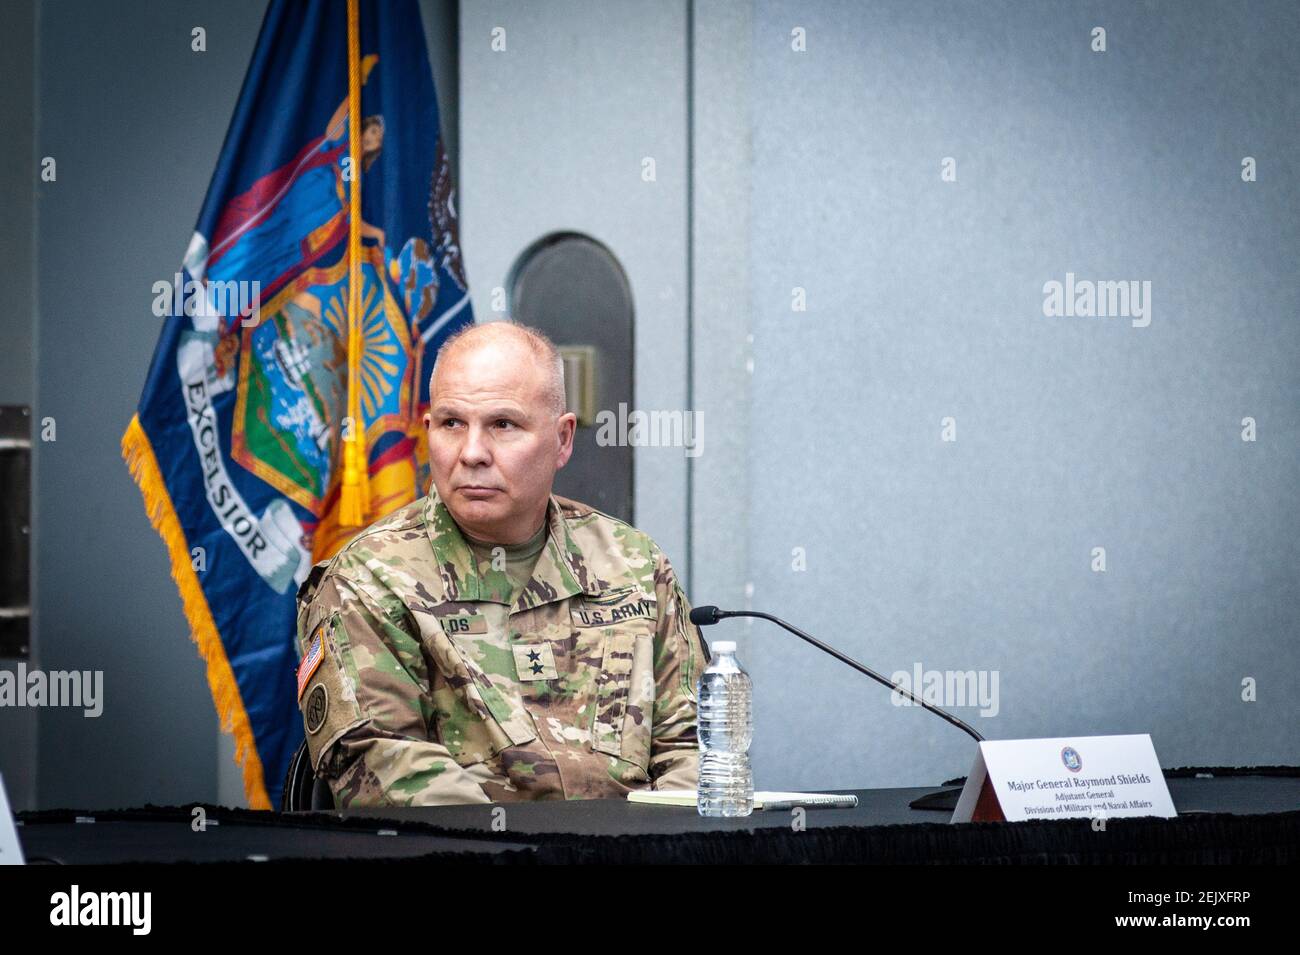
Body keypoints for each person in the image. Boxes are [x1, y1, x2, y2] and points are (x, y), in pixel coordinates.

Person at [293, 320, 710, 807]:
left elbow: (695, 750)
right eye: (452, 424)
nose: (472, 453)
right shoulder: (368, 578)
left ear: (563, 439)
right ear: (428, 432)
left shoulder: (634, 565)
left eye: (503, 425)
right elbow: (385, 764)